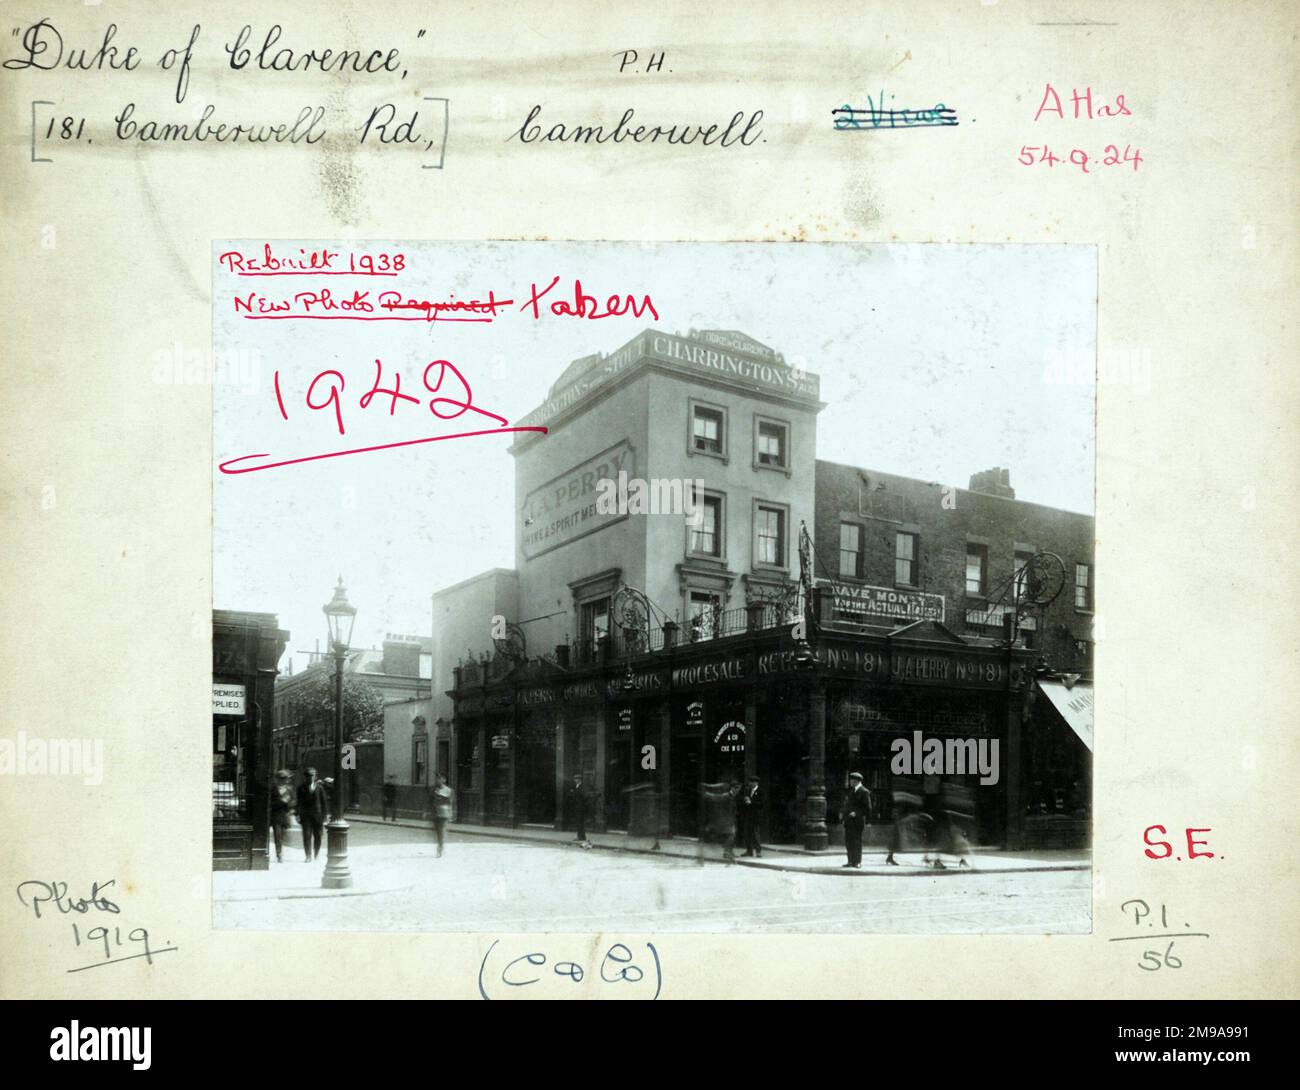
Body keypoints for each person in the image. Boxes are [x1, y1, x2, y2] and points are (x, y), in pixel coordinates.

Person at [295, 766, 329, 861]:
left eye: (312, 776)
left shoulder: (320, 788)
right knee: (306, 836)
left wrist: (325, 815)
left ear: (315, 777)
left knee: (318, 835)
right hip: (305, 816)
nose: (310, 778)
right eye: (308, 776)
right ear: (305, 777)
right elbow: (299, 802)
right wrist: (297, 814)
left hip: (318, 815)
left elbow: (324, 802)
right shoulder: (300, 788)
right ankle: (308, 856)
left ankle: (316, 854)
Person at [842, 771, 871, 869]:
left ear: (857, 781)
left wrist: (857, 813)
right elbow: (847, 806)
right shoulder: (851, 791)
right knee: (848, 841)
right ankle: (850, 861)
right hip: (849, 821)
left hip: (857, 822)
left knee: (857, 842)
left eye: (852, 780)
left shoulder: (864, 792)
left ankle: (857, 862)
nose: (850, 782)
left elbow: (867, 808)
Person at [270, 770, 293, 863]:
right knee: (277, 836)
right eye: (283, 779)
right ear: (278, 779)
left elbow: (294, 801)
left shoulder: (290, 789)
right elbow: (270, 803)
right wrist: (281, 801)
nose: (285, 780)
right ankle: (279, 855)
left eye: (286, 779)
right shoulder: (273, 789)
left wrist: (289, 803)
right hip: (276, 816)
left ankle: (281, 852)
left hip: (285, 816)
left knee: (284, 836)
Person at [564, 773, 591, 848]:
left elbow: (584, 797)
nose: (575, 780)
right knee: (578, 822)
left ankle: (582, 837)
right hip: (576, 807)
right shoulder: (576, 786)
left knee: (580, 822)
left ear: (580, 780)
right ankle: (580, 836)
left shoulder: (582, 787)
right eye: (575, 779)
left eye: (577, 779)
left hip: (580, 807)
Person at [738, 776, 762, 857]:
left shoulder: (760, 791)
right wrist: (745, 802)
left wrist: (751, 803)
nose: (750, 784)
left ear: (756, 782)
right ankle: (749, 851)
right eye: (749, 782)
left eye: (751, 782)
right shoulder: (748, 791)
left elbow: (761, 804)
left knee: (755, 834)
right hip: (748, 815)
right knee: (747, 834)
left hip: (756, 816)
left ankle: (758, 851)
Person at [430, 772, 452, 857]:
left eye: (440, 778)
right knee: (437, 831)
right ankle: (440, 845)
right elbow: (429, 801)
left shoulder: (448, 790)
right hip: (435, 813)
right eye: (437, 779)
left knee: (441, 831)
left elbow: (450, 803)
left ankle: (440, 848)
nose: (438, 780)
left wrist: (451, 814)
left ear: (444, 780)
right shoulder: (433, 790)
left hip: (444, 814)